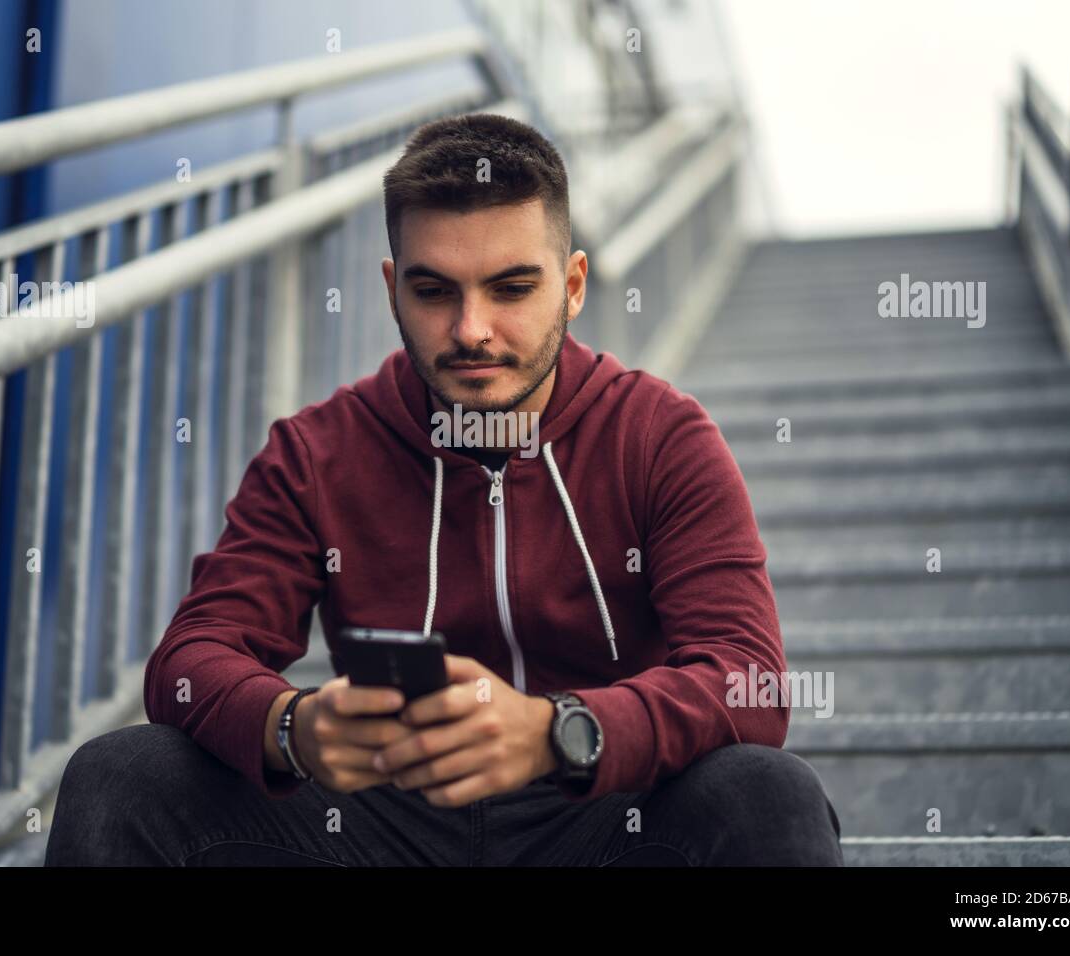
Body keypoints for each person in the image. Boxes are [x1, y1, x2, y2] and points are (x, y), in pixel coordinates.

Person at [44, 113, 844, 867]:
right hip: (375, 824)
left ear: (572, 285)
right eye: (434, 292)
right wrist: (293, 726)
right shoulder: (319, 450)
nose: (470, 330)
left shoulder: (660, 436)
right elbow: (192, 657)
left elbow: (749, 679)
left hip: (602, 813)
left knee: (766, 794)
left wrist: (558, 733)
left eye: (510, 288)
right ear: (393, 287)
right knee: (122, 777)